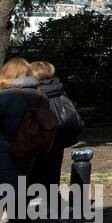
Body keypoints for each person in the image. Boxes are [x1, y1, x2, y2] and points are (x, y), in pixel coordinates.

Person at [0, 59, 46, 223]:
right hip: (28, 152)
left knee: (12, 200)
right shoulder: (39, 95)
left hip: (5, 153)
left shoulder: (6, 97)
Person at [27, 61, 83, 213]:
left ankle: (18, 209)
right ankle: (57, 206)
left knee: (31, 172)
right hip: (58, 134)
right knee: (52, 170)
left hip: (37, 136)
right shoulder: (58, 87)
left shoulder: (32, 91)